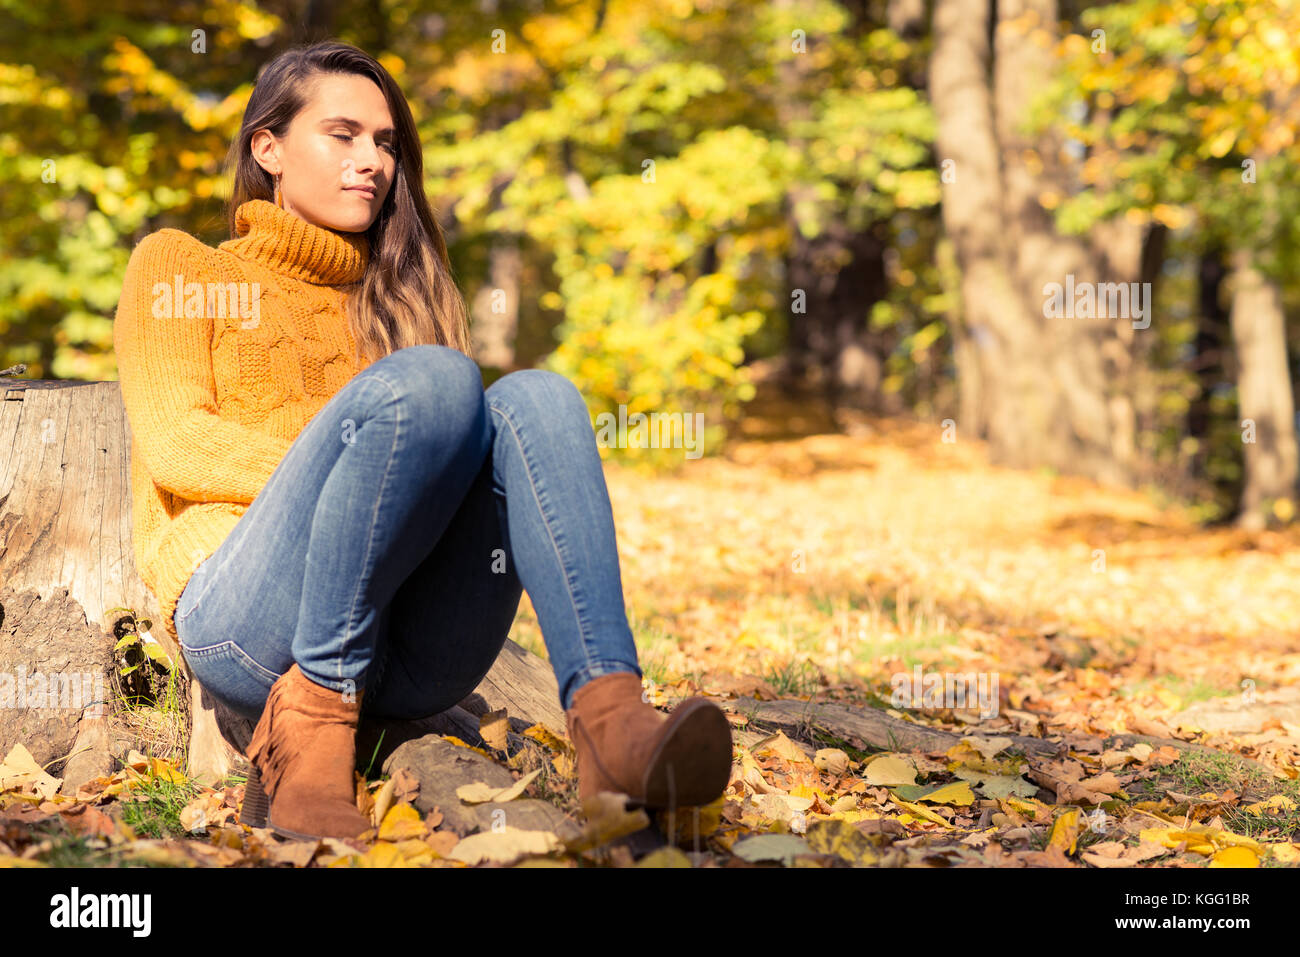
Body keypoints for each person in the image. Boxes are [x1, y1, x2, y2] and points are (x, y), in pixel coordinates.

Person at [112, 40, 733, 841]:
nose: (371, 159)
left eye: (385, 142)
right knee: (439, 382)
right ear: (267, 147)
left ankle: (610, 722)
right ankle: (308, 729)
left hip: (403, 652)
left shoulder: (400, 301)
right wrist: (357, 461)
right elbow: (178, 445)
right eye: (343, 134)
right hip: (246, 623)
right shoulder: (177, 266)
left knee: (537, 396)